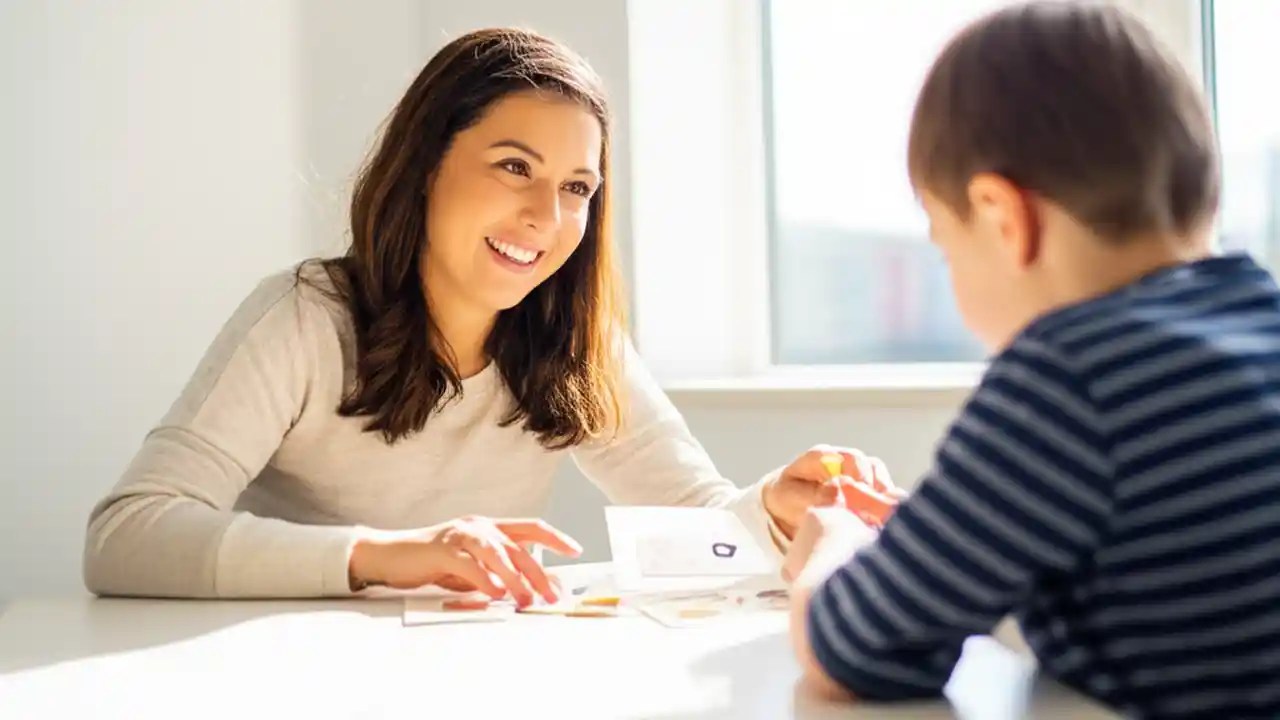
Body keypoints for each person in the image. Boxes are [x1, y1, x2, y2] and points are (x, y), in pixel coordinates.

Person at [83, 28, 889, 605]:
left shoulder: (577, 345)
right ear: (426, 166)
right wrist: (387, 557)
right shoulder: (305, 321)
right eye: (514, 167)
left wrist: (777, 508)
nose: (546, 214)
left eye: (577, 187)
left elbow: (701, 528)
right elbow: (126, 537)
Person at [784, 3, 1280, 718]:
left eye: (946, 247)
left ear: (1002, 216)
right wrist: (943, 532)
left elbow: (858, 648)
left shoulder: (1069, 377)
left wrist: (835, 547)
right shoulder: (1259, 323)